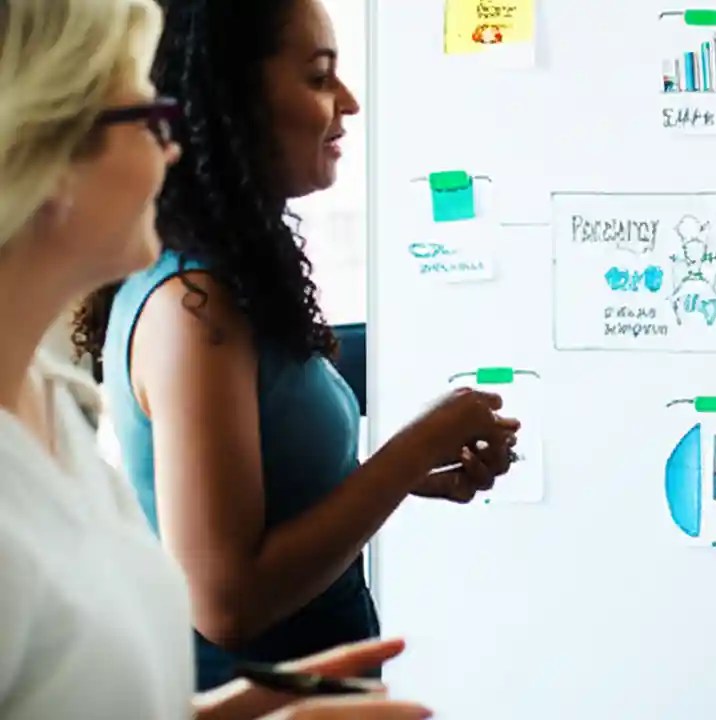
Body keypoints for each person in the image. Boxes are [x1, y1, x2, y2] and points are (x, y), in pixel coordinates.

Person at [72, 0, 521, 692]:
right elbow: (227, 604)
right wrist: (411, 452)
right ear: (231, 99)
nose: (348, 102)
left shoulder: (230, 278)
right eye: (318, 77)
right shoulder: (194, 306)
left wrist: (399, 475)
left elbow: (271, 486)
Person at [0, 0, 432, 716]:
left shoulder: (55, 409)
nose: (173, 147)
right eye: (148, 117)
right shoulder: (186, 306)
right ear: (48, 149)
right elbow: (223, 604)